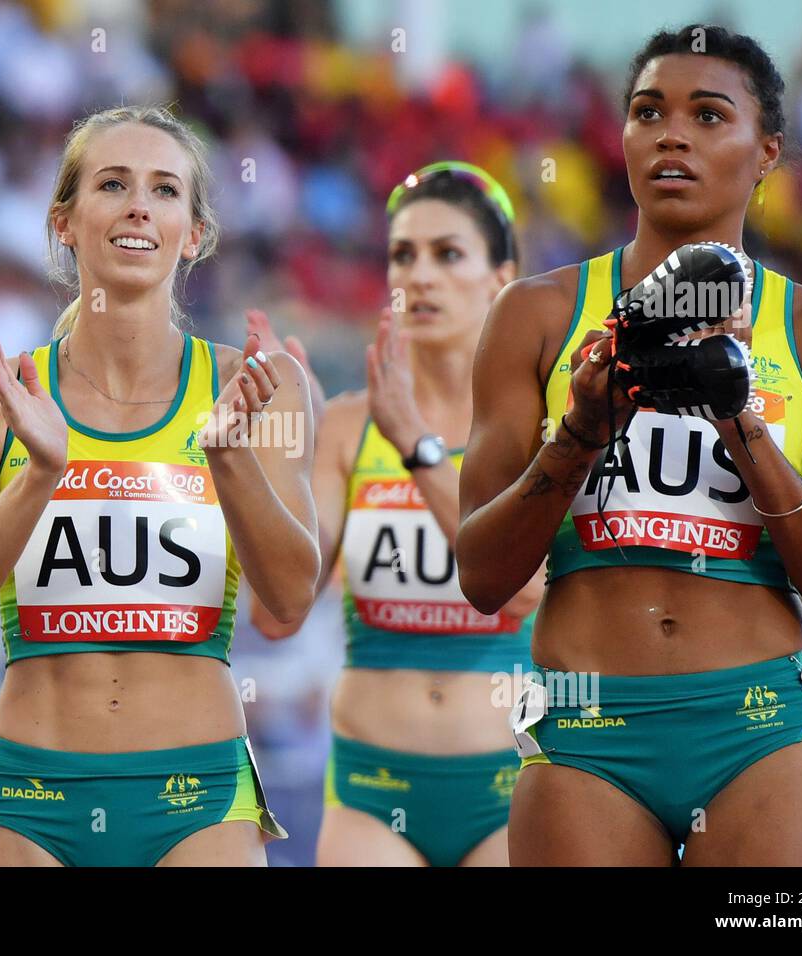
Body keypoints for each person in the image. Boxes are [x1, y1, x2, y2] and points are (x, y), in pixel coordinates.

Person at [457, 25, 802, 866]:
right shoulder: (535, 315)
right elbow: (481, 577)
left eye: (708, 114)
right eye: (648, 111)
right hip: (587, 730)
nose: (672, 134)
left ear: (766, 151)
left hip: (756, 733)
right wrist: (580, 432)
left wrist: (742, 422)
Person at [0, 106, 319, 867]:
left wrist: (228, 457)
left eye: (165, 190)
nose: (139, 205)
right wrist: (40, 477)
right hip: (34, 799)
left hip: (198, 799)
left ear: (192, 234)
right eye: (113, 183)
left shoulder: (259, 385)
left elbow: (289, 605)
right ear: (64, 222)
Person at [250, 162, 545, 866]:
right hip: (371, 786)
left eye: (448, 254)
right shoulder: (351, 427)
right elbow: (277, 614)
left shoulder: (541, 427)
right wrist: (285, 458)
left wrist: (415, 444)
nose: (421, 276)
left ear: (500, 278)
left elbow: (525, 590)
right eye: (402, 255)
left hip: (515, 783)